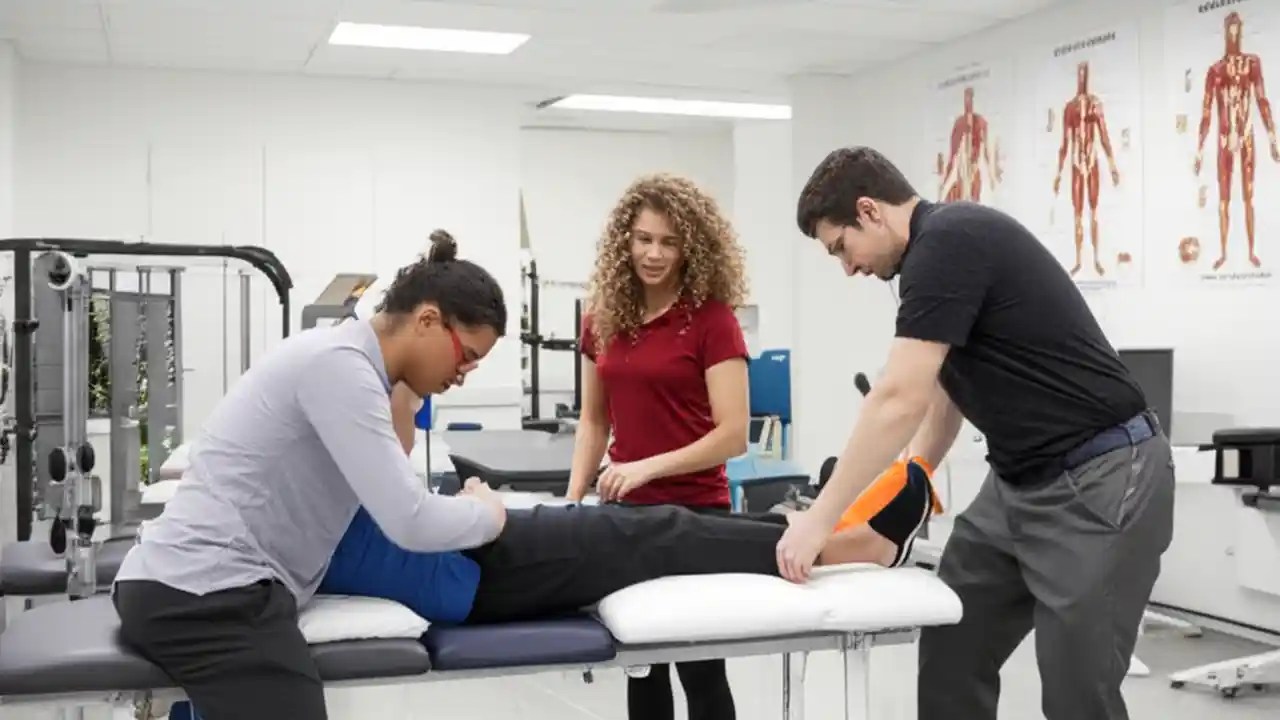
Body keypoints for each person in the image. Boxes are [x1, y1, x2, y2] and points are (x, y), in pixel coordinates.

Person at [781, 146, 1175, 720]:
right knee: (951, 647)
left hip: (1103, 474)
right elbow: (945, 385)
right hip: (1016, 483)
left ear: (870, 211)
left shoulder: (950, 239)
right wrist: (916, 473)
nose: (848, 266)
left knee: (1076, 691)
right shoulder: (929, 258)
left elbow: (898, 397)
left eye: (842, 247)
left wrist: (818, 521)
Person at [112, 233, 511, 720]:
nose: (465, 372)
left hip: (214, 586)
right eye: (466, 354)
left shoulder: (350, 362)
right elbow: (409, 519)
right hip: (202, 594)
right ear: (428, 320)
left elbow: (389, 468)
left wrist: (408, 393)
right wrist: (488, 514)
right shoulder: (340, 367)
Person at [562, 173, 754, 720]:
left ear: (691, 247)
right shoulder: (600, 319)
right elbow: (593, 422)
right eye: (644, 238)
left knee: (701, 666)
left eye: (669, 242)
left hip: (696, 512)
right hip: (625, 515)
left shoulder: (713, 321)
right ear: (624, 240)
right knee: (640, 661)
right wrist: (576, 499)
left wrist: (645, 467)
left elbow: (732, 434)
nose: (654, 253)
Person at [319, 459, 936, 626]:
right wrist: (476, 508)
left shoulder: (290, 513)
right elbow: (408, 526)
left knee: (661, 525)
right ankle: (857, 546)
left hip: (462, 554)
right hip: (466, 572)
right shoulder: (304, 521)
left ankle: (825, 532)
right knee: (658, 533)